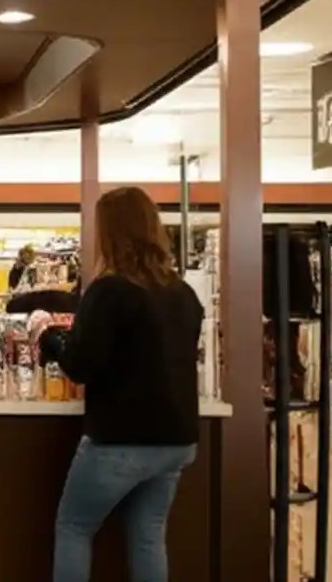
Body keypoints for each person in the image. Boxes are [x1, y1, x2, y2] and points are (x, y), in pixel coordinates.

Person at [42, 187, 203, 582]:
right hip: (176, 440)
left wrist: (51, 341)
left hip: (120, 440)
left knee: (75, 527)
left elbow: (80, 366)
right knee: (149, 535)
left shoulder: (109, 291)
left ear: (109, 233)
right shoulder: (183, 294)